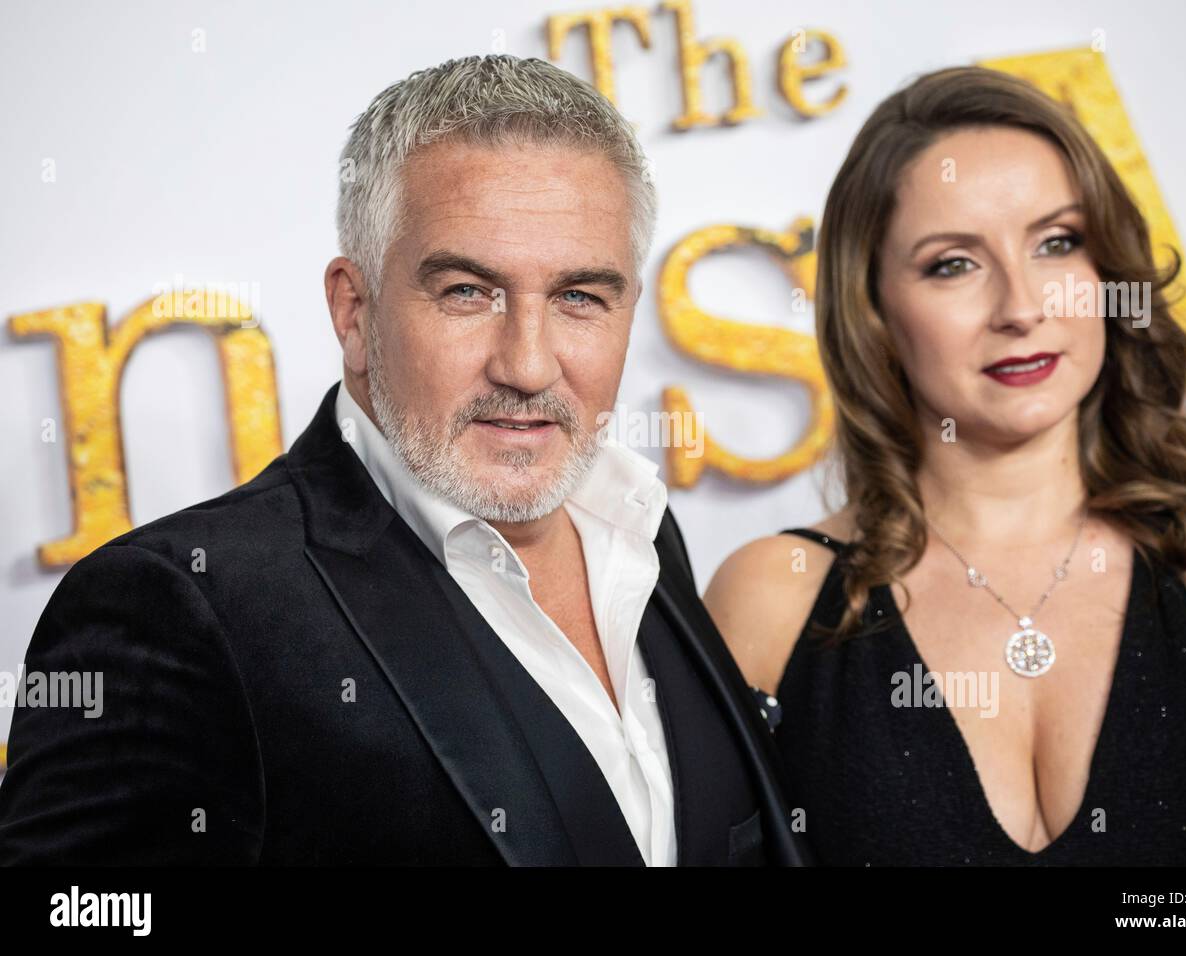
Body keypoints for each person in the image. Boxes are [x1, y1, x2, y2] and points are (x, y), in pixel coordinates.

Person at [0, 55, 807, 866]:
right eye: (466, 291)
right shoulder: (180, 607)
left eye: (578, 297)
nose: (526, 366)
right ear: (355, 311)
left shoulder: (640, 532)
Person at [704, 66, 1186, 866]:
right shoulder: (774, 597)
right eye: (953, 263)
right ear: (873, 309)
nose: (1022, 307)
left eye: (1058, 243)